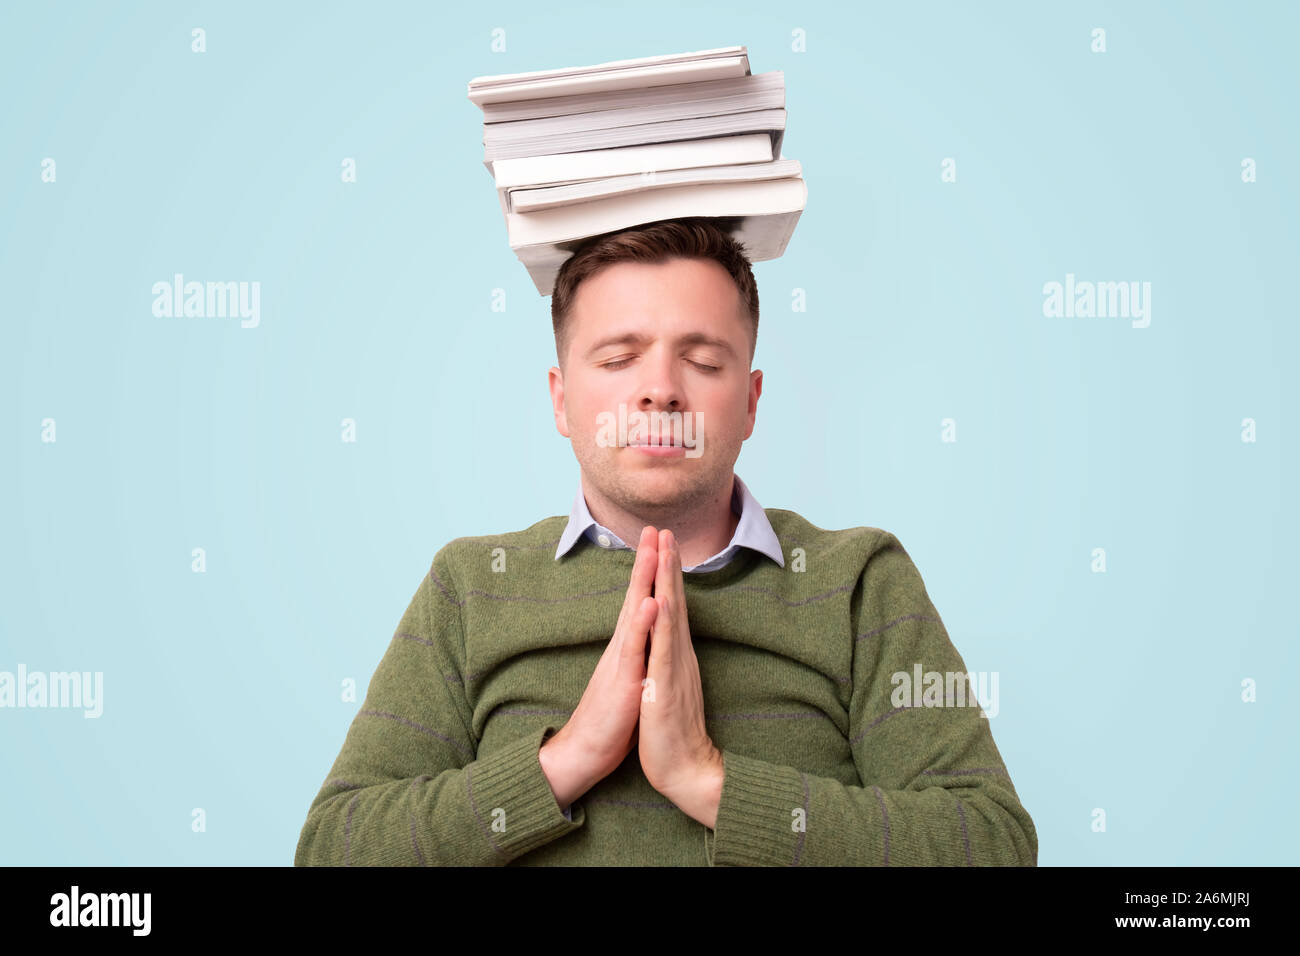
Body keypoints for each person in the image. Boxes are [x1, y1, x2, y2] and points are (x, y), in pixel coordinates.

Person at [293, 217, 1038, 866]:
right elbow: (332, 849)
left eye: (704, 361)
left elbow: (992, 842)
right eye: (619, 359)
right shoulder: (469, 585)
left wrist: (709, 780)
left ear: (748, 403)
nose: (660, 389)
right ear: (561, 399)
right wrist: (566, 761)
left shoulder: (857, 581)